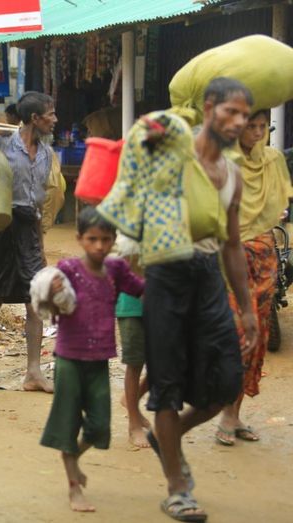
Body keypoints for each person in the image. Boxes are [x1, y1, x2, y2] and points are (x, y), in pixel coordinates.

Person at [139, 79, 257, 521]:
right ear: (209, 107)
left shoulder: (232, 174)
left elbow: (231, 244)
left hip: (208, 277)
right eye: (232, 112)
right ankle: (177, 487)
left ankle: (167, 437)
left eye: (245, 116)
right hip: (165, 276)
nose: (239, 122)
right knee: (167, 386)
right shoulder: (172, 154)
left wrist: (245, 308)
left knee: (226, 383)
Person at [39, 207, 144, 513]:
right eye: (92, 239)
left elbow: (141, 290)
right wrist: (49, 294)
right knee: (69, 423)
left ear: (114, 241)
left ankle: (71, 456)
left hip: (99, 360)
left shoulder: (116, 270)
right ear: (80, 239)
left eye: (106, 239)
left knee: (99, 427)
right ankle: (74, 485)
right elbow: (46, 306)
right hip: (69, 360)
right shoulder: (67, 270)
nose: (99, 245)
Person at [216, 109, 293, 446]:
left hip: (264, 254)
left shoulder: (273, 159)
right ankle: (222, 415)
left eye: (263, 126)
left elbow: (281, 202)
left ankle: (234, 414)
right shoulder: (223, 160)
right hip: (229, 254)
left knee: (257, 335)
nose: (258, 132)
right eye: (252, 127)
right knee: (235, 337)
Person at [0, 91, 56, 391]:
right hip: (2, 224)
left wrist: (41, 244)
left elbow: (39, 200)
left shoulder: (46, 153)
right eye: (51, 114)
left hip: (28, 226)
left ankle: (33, 371)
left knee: (35, 297)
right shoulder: (2, 143)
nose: (55, 120)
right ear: (35, 118)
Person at [116, 249, 151, 449]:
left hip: (162, 303)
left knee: (162, 365)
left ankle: (132, 401)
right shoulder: (131, 224)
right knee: (135, 362)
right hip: (132, 305)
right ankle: (134, 425)